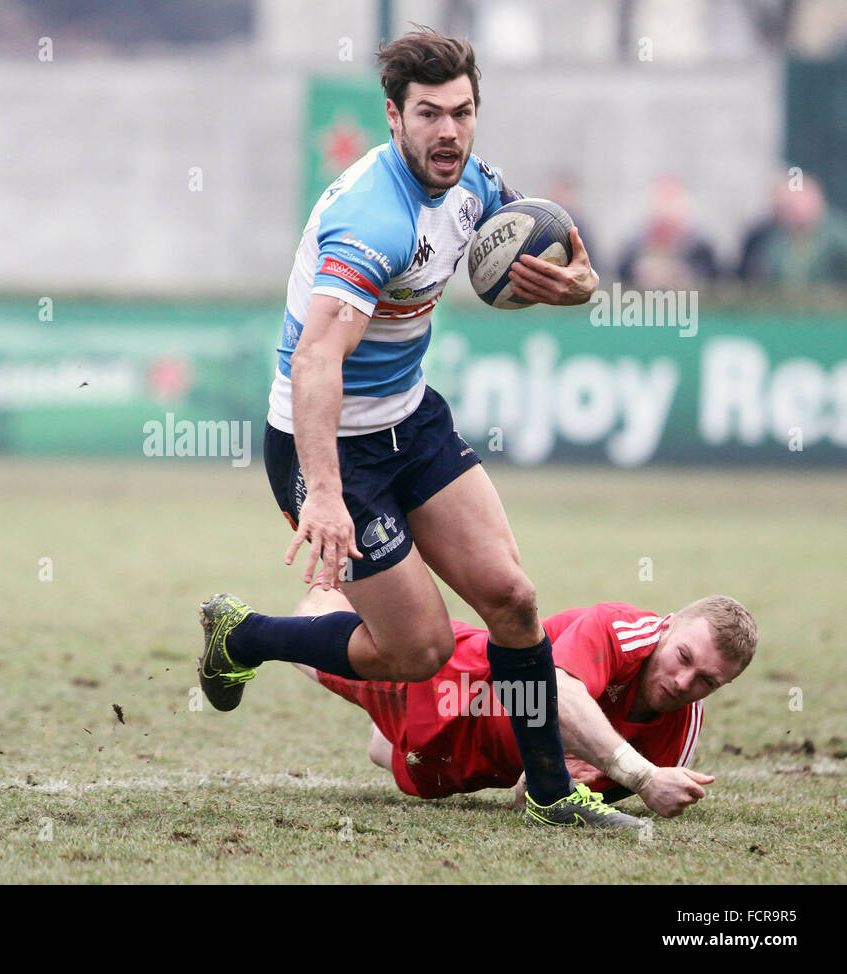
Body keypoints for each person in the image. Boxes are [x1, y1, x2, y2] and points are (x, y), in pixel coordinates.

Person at [197, 26, 627, 829]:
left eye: (463, 112)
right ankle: (243, 637)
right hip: (325, 445)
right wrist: (322, 493)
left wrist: (580, 282)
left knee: (513, 598)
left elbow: (552, 241)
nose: (450, 132)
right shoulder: (370, 220)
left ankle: (550, 793)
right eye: (429, 114)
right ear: (392, 116)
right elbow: (316, 362)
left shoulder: (473, 184)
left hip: (411, 421)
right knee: (418, 652)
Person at [293, 583, 757, 820]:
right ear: (668, 625)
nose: (682, 682)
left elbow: (531, 794)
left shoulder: (675, 744)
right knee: (310, 633)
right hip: (451, 689)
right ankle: (320, 571)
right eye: (683, 657)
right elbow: (554, 694)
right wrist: (641, 775)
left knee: (386, 752)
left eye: (706, 682)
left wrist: (568, 781)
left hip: (457, 767)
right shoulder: (619, 629)